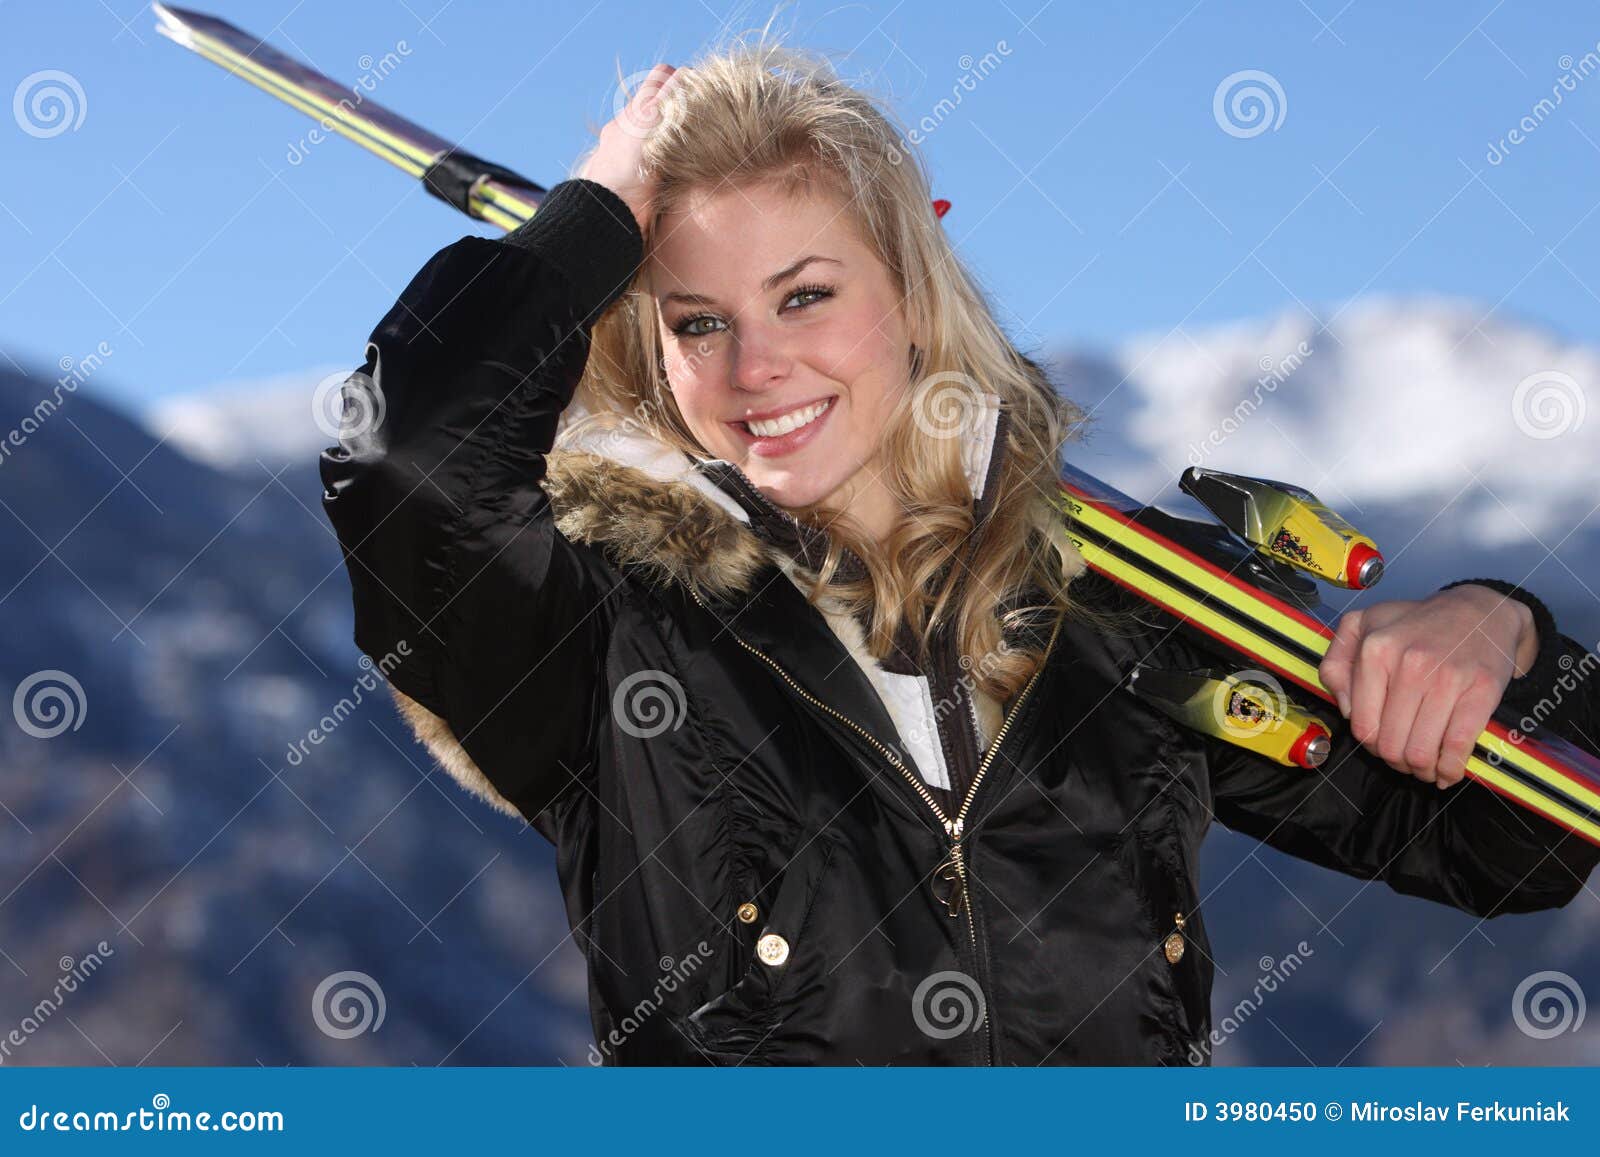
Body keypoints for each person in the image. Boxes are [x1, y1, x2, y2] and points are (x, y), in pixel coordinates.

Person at [318, 43, 1599, 1065]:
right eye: (696, 319)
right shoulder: (594, 632)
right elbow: (407, 463)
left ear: (912, 292)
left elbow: (1517, 843)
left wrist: (1503, 630)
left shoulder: (1121, 605)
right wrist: (594, 216)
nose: (755, 368)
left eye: (805, 294)